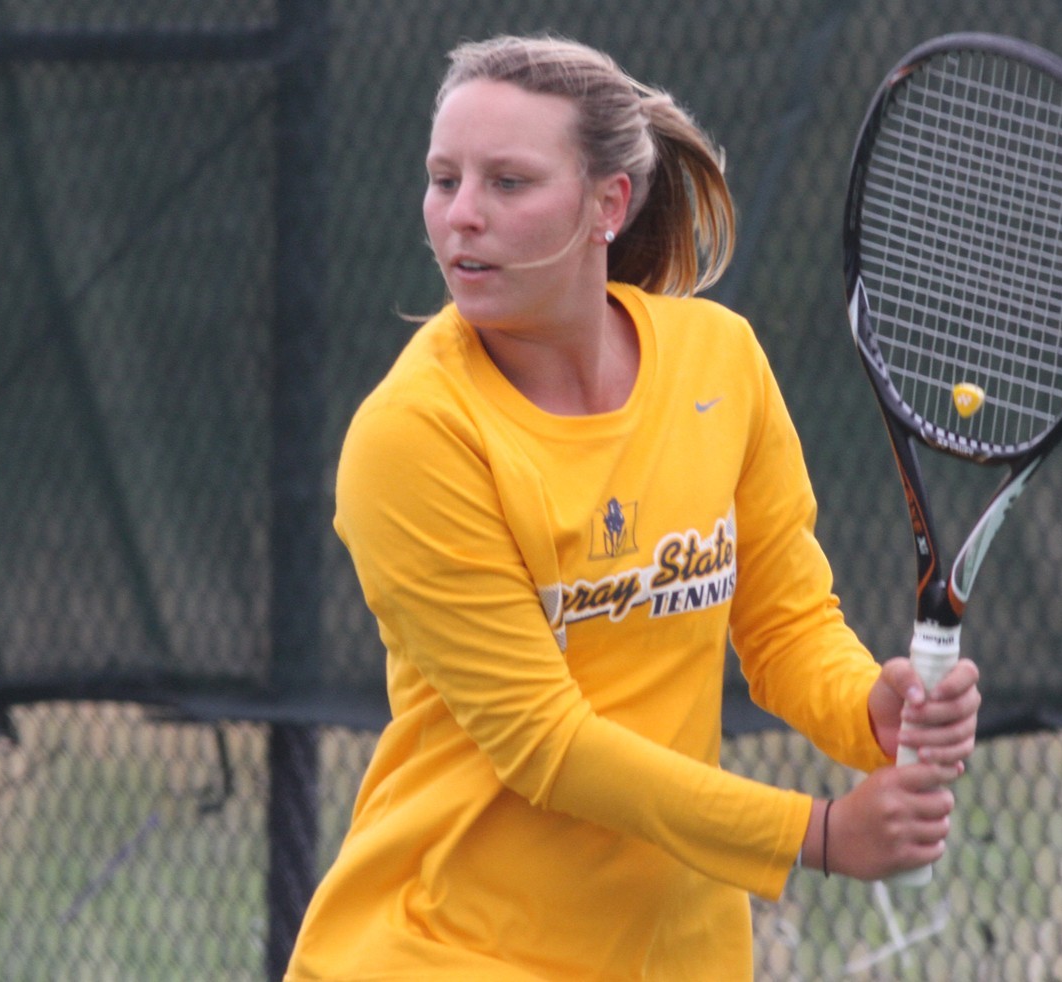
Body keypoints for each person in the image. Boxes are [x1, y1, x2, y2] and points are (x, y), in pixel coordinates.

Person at [285, 34, 981, 981]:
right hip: (444, 950)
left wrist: (869, 708)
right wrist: (815, 834)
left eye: (509, 182)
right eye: (443, 180)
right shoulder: (413, 437)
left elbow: (783, 628)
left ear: (609, 202)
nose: (462, 217)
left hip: (679, 953)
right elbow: (548, 744)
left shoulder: (720, 362)